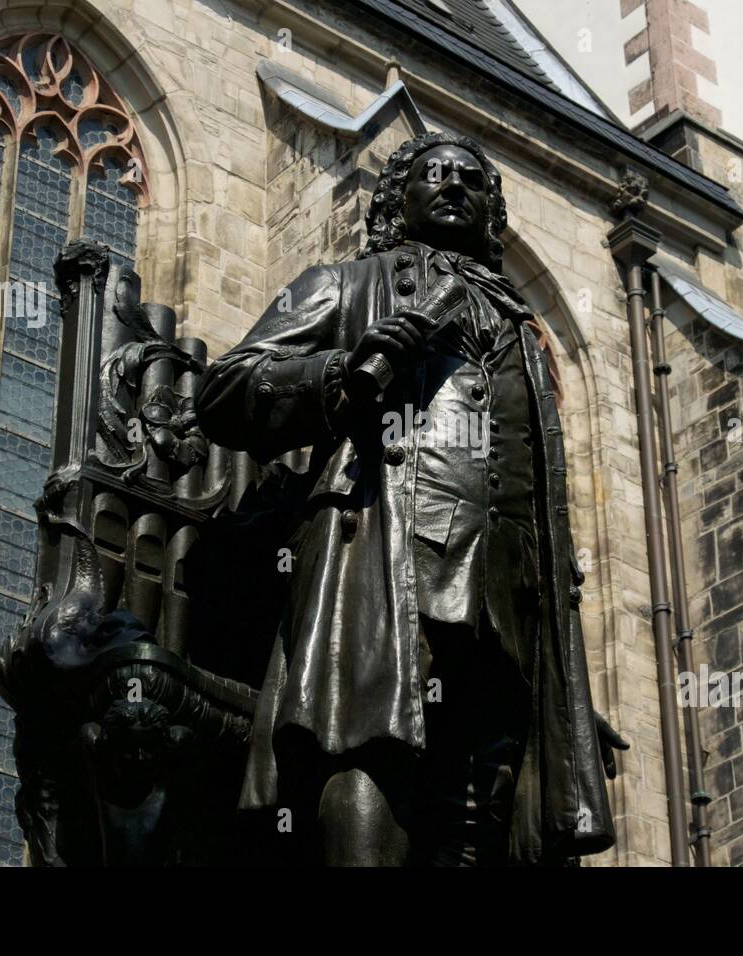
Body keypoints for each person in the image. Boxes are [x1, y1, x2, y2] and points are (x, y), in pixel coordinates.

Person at [196, 131, 621, 865]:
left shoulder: (521, 327)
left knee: (483, 798)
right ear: (399, 200)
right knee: (370, 739)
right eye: (435, 175)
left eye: (471, 179)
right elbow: (228, 391)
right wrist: (339, 374)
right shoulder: (346, 285)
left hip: (507, 595)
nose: (454, 186)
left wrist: (566, 679)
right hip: (382, 554)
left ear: (492, 211)